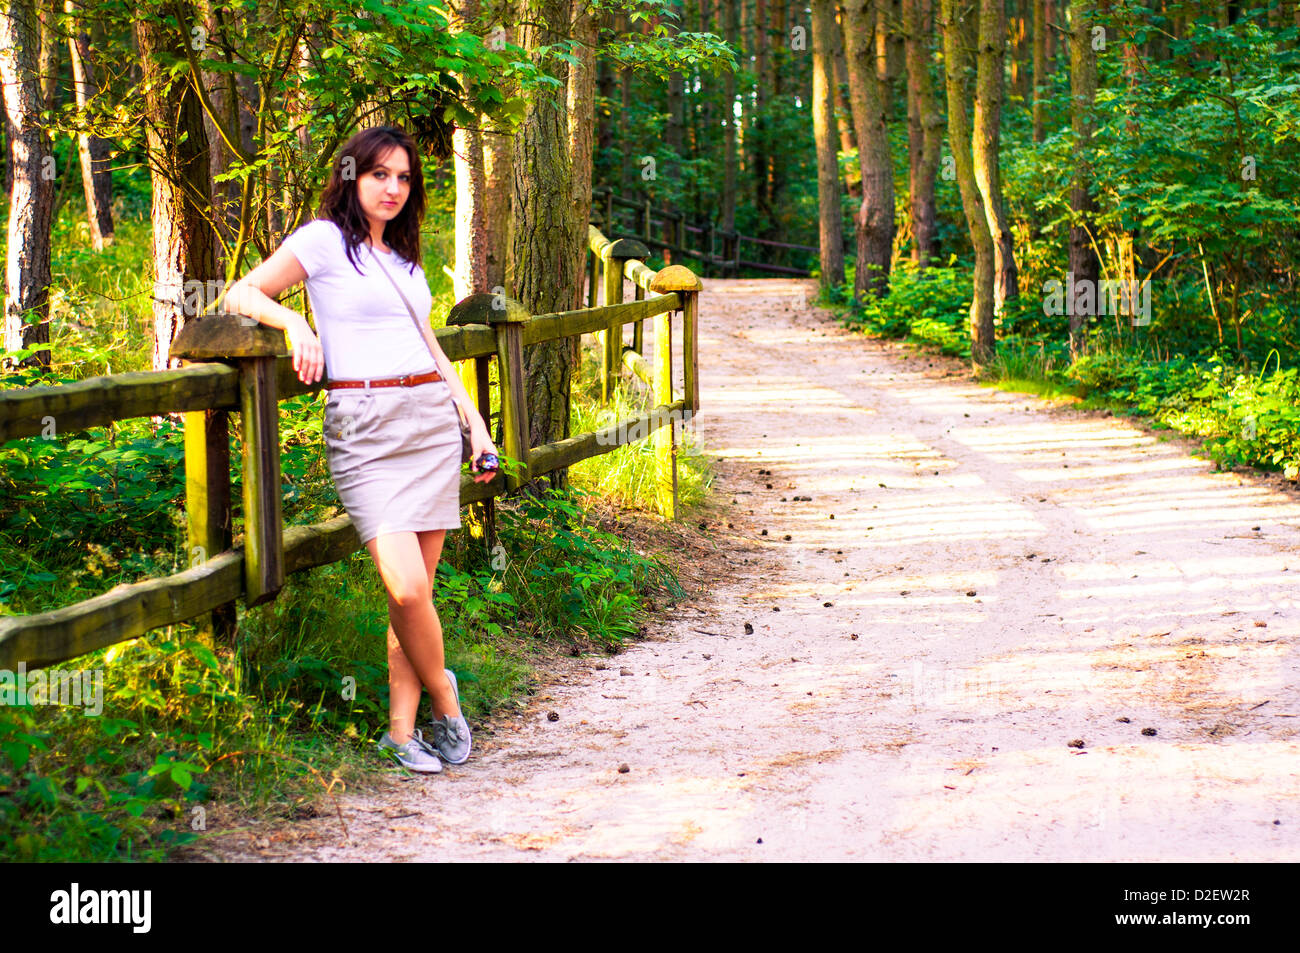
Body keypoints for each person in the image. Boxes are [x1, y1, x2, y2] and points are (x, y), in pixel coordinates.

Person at [224, 125, 497, 774]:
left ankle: (401, 733)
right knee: (404, 588)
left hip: (429, 423)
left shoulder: (405, 261)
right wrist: (294, 321)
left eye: (404, 178)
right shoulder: (322, 241)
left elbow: (432, 350)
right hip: (363, 428)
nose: (394, 188)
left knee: (419, 591)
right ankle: (446, 697)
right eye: (381, 174)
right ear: (353, 176)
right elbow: (240, 291)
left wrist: (476, 427)